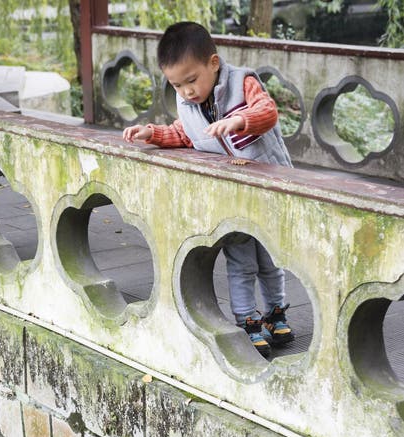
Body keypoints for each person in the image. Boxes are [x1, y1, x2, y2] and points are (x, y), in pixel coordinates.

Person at [123, 21, 294, 357]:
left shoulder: (242, 83)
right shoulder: (187, 104)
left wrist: (239, 121)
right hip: (233, 194)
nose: (186, 91)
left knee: (272, 257)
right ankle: (247, 319)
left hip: (269, 189)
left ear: (213, 64)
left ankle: (277, 312)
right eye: (176, 84)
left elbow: (267, 112)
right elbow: (186, 134)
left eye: (191, 80)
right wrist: (153, 134)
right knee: (241, 257)